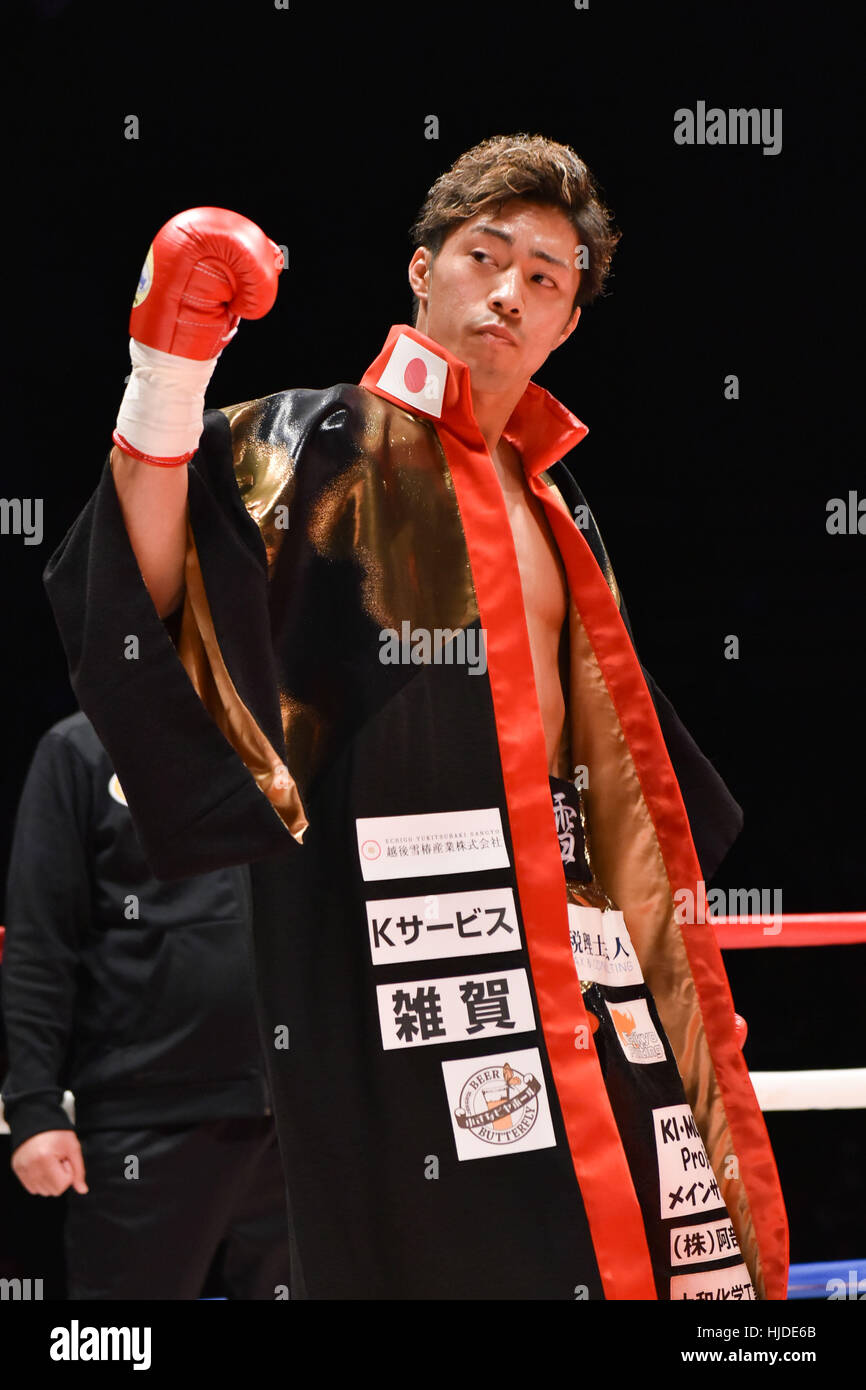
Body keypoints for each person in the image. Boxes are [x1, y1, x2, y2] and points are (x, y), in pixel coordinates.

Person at [43, 134, 788, 1299]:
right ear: (420, 271)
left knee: (662, 1258)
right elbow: (151, 585)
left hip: (585, 943)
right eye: (483, 256)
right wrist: (166, 374)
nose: (509, 290)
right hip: (408, 951)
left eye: (546, 276)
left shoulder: (557, 494)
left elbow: (624, 760)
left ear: (566, 322)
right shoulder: (314, 442)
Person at [1, 712, 292, 1299]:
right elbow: (39, 941)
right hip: (145, 1112)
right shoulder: (80, 747)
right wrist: (33, 1107)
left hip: (297, 1115)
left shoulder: (293, 733)